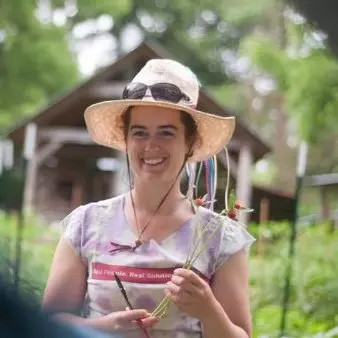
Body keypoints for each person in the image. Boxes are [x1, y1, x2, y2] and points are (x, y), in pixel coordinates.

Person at [42, 59, 255, 338]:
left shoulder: (218, 237)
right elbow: (45, 326)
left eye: (166, 133)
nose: (151, 146)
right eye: (139, 133)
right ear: (126, 140)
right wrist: (104, 328)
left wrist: (209, 310)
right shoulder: (86, 224)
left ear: (190, 143)